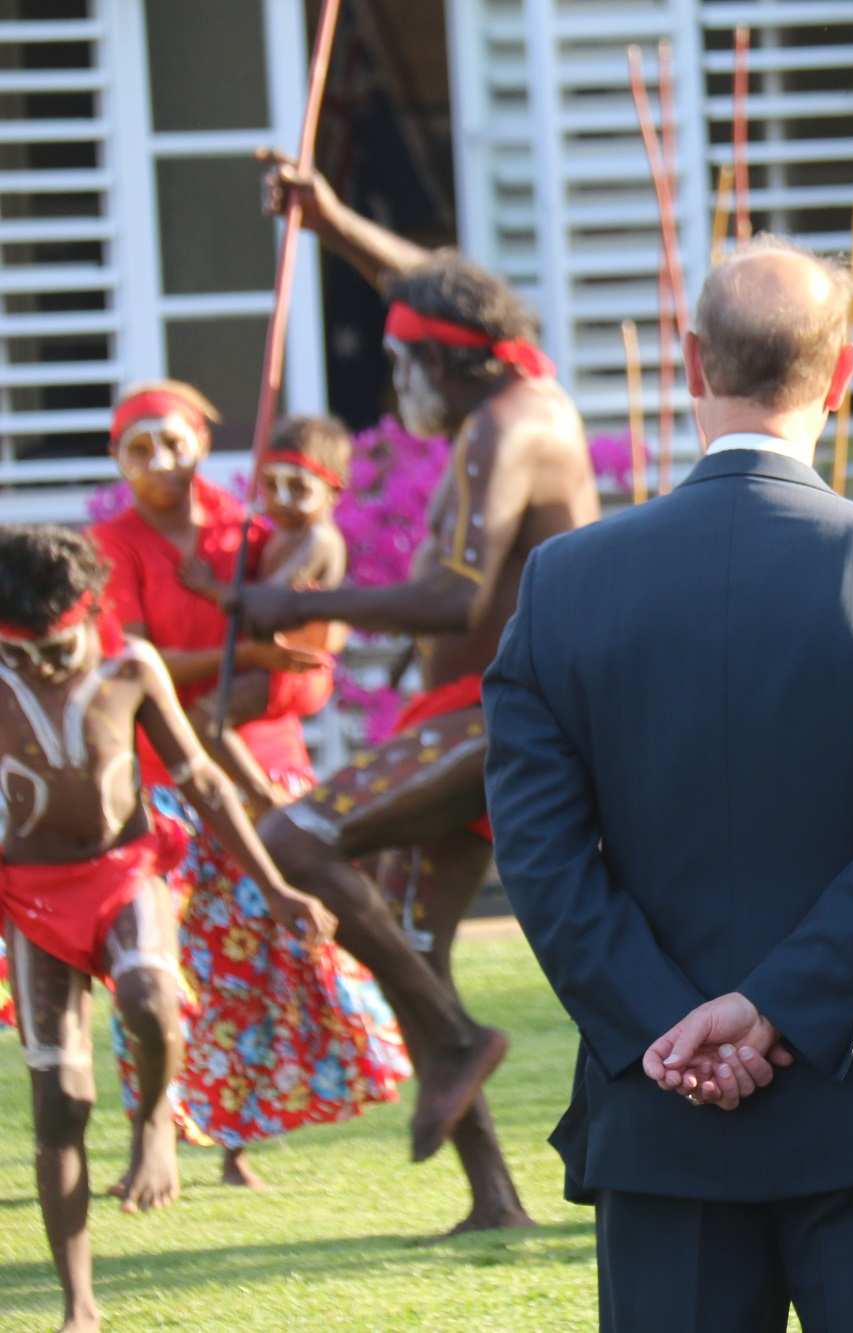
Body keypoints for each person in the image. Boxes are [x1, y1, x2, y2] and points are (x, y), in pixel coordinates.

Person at [486, 235, 853, 1331]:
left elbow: (538, 853)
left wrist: (670, 1025)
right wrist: (773, 1013)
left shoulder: (568, 583)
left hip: (660, 1096)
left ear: (690, 363)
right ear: (841, 370)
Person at [238, 149, 599, 1229]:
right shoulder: (504, 390)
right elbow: (430, 284)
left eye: (407, 368)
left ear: (451, 366)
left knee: (296, 834)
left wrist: (282, 607)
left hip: (508, 714)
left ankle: (451, 1045)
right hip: (471, 712)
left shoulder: (510, 424)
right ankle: (494, 1197)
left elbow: (451, 597)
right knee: (411, 938)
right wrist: (333, 217)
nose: (399, 394)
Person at [0, 524, 335, 1333]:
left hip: (125, 871)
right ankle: (79, 1303)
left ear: (92, 614)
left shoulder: (131, 668)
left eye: (59, 650)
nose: (45, 668)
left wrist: (281, 887)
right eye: (25, 656)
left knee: (150, 993)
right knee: (59, 1100)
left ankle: (156, 1119)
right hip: (31, 895)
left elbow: (208, 789)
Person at [88, 381, 408, 1193]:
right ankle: (156, 1124)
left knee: (266, 955)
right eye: (137, 447)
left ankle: (237, 1137)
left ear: (201, 441)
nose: (159, 460)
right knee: (163, 957)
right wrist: (256, 660)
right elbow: (138, 662)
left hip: (265, 765)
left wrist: (278, 665)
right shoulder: (114, 544)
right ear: (118, 461)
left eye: (172, 440)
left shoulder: (255, 527)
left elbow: (311, 651)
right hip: (161, 779)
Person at [179, 414, 353, 817]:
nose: (281, 499)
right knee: (210, 724)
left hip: (293, 668)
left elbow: (267, 605)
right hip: (277, 665)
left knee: (207, 720)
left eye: (298, 488)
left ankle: (264, 799)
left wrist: (211, 588)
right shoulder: (283, 533)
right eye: (271, 485)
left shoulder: (318, 538)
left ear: (332, 492)